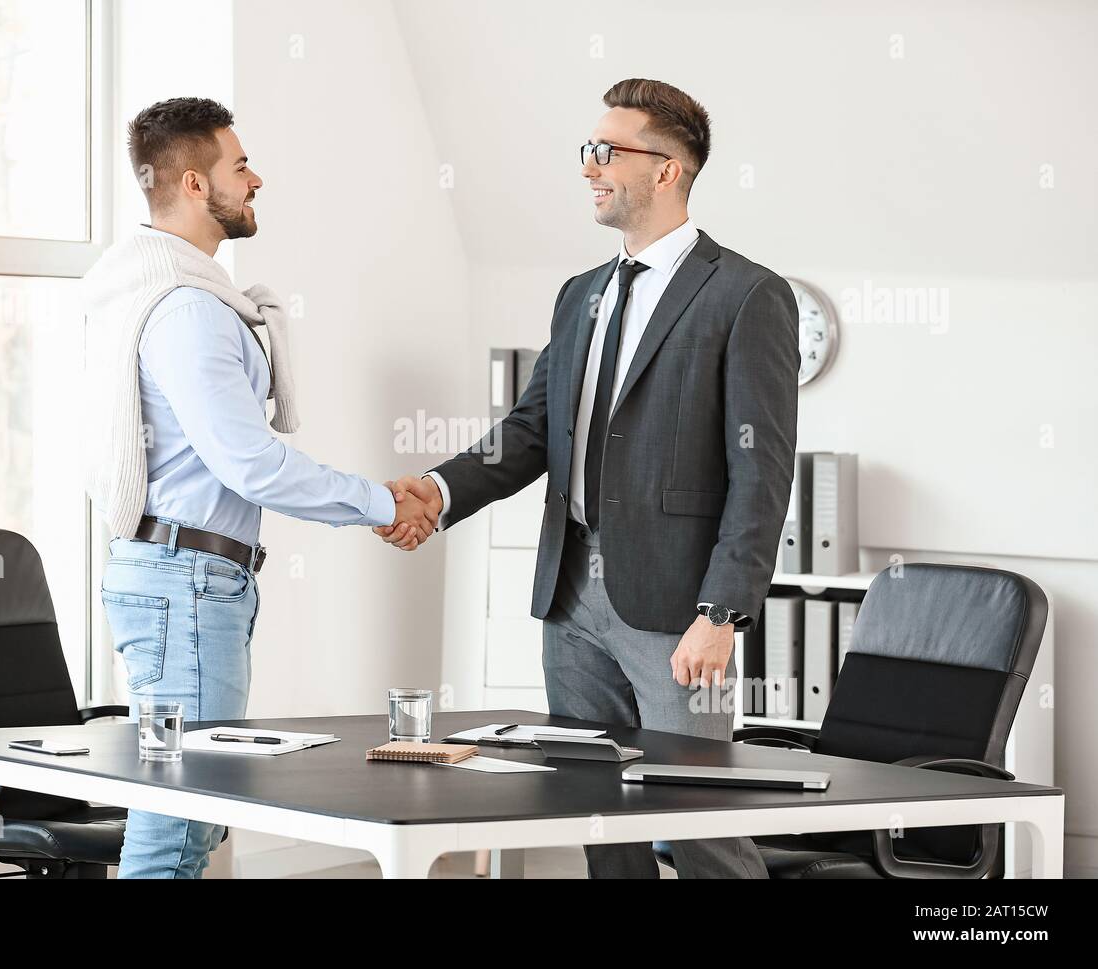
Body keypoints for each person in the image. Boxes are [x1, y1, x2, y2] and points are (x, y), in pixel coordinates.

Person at [377, 78, 799, 879]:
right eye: (588, 150)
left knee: (700, 815)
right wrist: (438, 491)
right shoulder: (581, 296)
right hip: (570, 599)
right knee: (599, 819)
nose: (589, 168)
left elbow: (762, 470)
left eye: (608, 151)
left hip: (678, 612)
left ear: (668, 168)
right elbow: (533, 429)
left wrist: (722, 611)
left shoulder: (746, 296)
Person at [83, 97, 435, 878]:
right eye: (240, 166)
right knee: (182, 812)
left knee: (191, 807)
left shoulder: (168, 291)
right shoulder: (189, 313)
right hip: (187, 581)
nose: (257, 179)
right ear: (194, 184)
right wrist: (381, 502)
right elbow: (251, 464)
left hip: (185, 577)